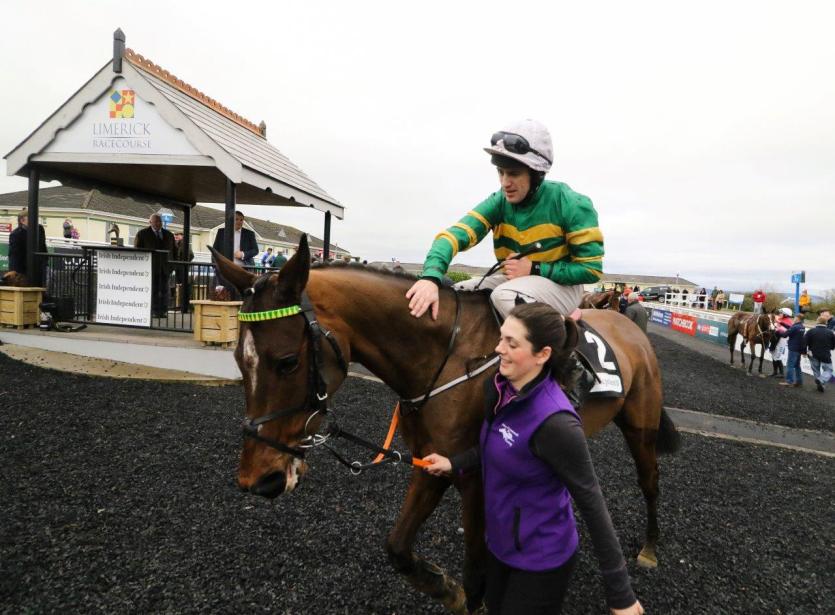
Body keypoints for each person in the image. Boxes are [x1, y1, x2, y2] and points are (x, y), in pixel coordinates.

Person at [422, 303, 643, 615]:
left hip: (541, 561)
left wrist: (621, 593)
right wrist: (454, 464)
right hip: (499, 547)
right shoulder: (498, 388)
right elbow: (496, 445)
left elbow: (592, 501)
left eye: (512, 343)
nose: (499, 349)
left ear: (543, 355)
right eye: (501, 339)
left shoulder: (556, 423)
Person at [406, 119, 603, 321]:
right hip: (515, 280)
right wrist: (430, 277)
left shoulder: (572, 204)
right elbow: (453, 236)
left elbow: (591, 270)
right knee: (460, 293)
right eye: (500, 172)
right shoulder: (499, 201)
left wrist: (535, 268)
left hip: (564, 288)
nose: (505, 183)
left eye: (514, 174)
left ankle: (557, 346)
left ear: (536, 174)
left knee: (504, 296)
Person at [134, 213, 177, 318]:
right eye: (156, 221)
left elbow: (175, 252)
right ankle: (153, 311)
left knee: (165, 290)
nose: (158, 223)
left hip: (165, 268)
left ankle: (163, 311)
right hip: (150, 268)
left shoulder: (169, 235)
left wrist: (172, 266)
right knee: (152, 290)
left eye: (160, 221)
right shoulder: (142, 234)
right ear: (150, 222)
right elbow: (137, 251)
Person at [8, 210, 47, 281]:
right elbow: (14, 253)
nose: (35, 220)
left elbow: (42, 245)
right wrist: (14, 270)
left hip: (39, 266)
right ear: (22, 221)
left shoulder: (40, 229)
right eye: (32, 218)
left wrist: (45, 262)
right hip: (23, 268)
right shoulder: (16, 234)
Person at [803, 316, 835, 392]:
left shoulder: (811, 331)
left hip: (812, 354)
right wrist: (830, 348)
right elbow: (833, 345)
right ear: (826, 323)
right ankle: (821, 381)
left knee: (816, 370)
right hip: (825, 354)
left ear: (817, 322)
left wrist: (804, 352)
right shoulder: (830, 332)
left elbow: (804, 342)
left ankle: (820, 383)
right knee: (829, 370)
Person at [779, 313, 807, 388]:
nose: (793, 318)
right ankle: (799, 381)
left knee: (790, 365)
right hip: (798, 349)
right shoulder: (802, 327)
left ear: (798, 318)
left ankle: (789, 381)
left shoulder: (795, 327)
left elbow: (785, 335)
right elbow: (791, 328)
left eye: (795, 317)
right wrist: (782, 323)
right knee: (797, 366)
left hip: (793, 349)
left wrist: (778, 331)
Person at [769, 307, 793, 378]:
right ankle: (775, 372)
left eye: (781, 313)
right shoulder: (780, 319)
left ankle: (781, 373)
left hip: (781, 341)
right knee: (773, 356)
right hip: (776, 340)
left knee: (777, 356)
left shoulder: (788, 322)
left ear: (786, 315)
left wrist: (775, 328)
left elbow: (780, 332)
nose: (779, 314)